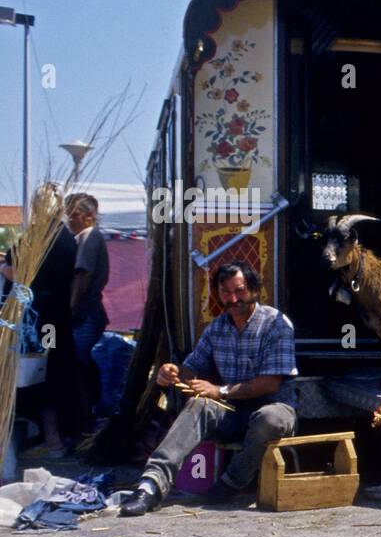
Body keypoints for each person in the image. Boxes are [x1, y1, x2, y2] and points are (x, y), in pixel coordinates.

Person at [119, 260, 298, 516]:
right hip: (233, 411)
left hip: (275, 405)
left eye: (240, 290)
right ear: (218, 294)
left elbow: (270, 383)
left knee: (268, 418)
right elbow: (192, 367)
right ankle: (151, 485)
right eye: (226, 292)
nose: (234, 298)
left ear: (255, 290)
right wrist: (172, 372)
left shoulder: (276, 324)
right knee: (200, 404)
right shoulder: (217, 328)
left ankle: (231, 483)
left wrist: (220, 391)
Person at [22, 208, 80, 458]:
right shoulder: (65, 237)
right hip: (58, 317)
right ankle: (61, 435)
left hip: (46, 321)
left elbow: (16, 266)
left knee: (46, 372)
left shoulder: (43, 236)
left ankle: (53, 440)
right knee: (57, 371)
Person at [67, 193, 111, 426]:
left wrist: (71, 308)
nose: (70, 220)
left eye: (74, 215)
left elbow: (82, 275)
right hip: (88, 314)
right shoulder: (87, 237)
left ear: (89, 216)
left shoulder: (88, 237)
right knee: (81, 367)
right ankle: (84, 419)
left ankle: (84, 422)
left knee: (77, 367)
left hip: (86, 316)